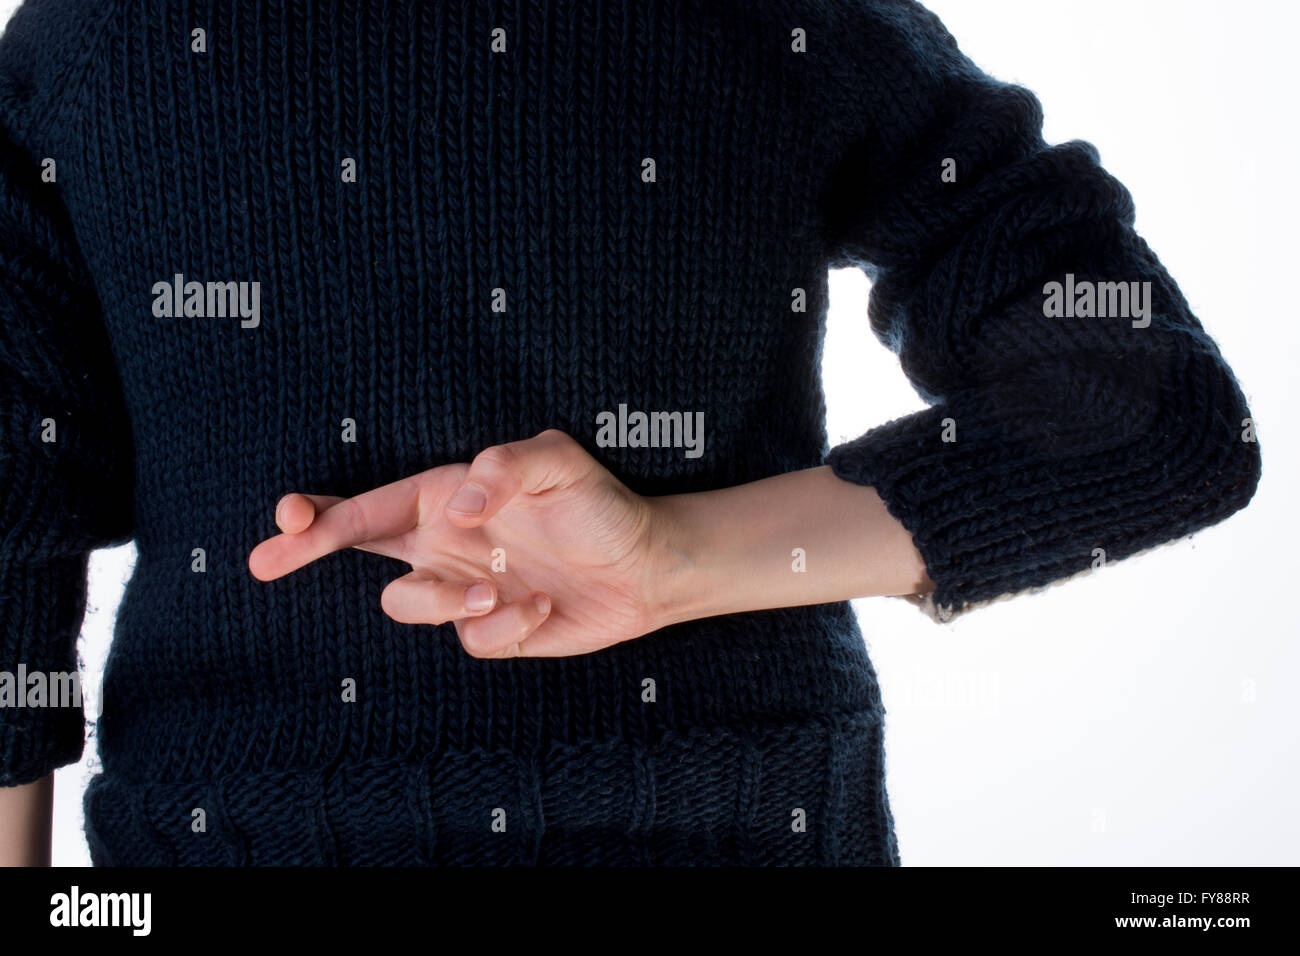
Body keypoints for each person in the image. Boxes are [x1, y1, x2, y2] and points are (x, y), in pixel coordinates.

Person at [0, 0, 1260, 866]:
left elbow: (16, 537)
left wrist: (663, 557)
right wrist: (678, 558)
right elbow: (1142, 415)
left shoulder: (82, 51)